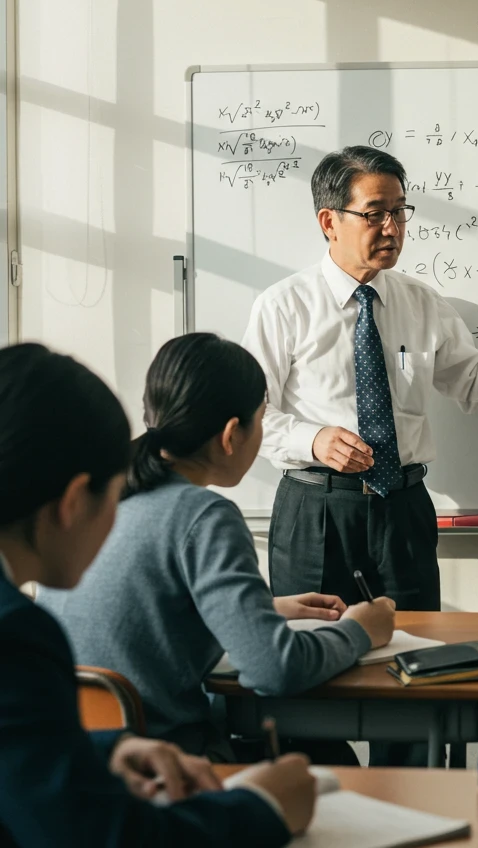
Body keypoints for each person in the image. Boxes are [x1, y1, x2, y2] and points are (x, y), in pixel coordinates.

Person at [242, 145, 478, 612]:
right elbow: (246, 415)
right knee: (314, 663)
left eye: (399, 212)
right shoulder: (283, 306)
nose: (392, 228)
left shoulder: (420, 303)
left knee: (417, 659)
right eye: (374, 214)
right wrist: (313, 440)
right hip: (317, 511)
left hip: (403, 510)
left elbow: (475, 384)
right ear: (329, 222)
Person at [0, 342, 316, 847]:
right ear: (73, 502)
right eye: (112, 495)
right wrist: (263, 807)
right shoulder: (16, 633)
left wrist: (106, 748)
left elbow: (19, 758)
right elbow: (98, 836)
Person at [39, 333, 396, 761]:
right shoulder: (203, 516)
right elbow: (275, 669)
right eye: (261, 421)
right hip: (167, 765)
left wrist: (264, 607)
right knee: (326, 757)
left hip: (73, 755)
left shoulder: (96, 498)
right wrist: (360, 630)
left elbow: (135, 608)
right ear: (231, 435)